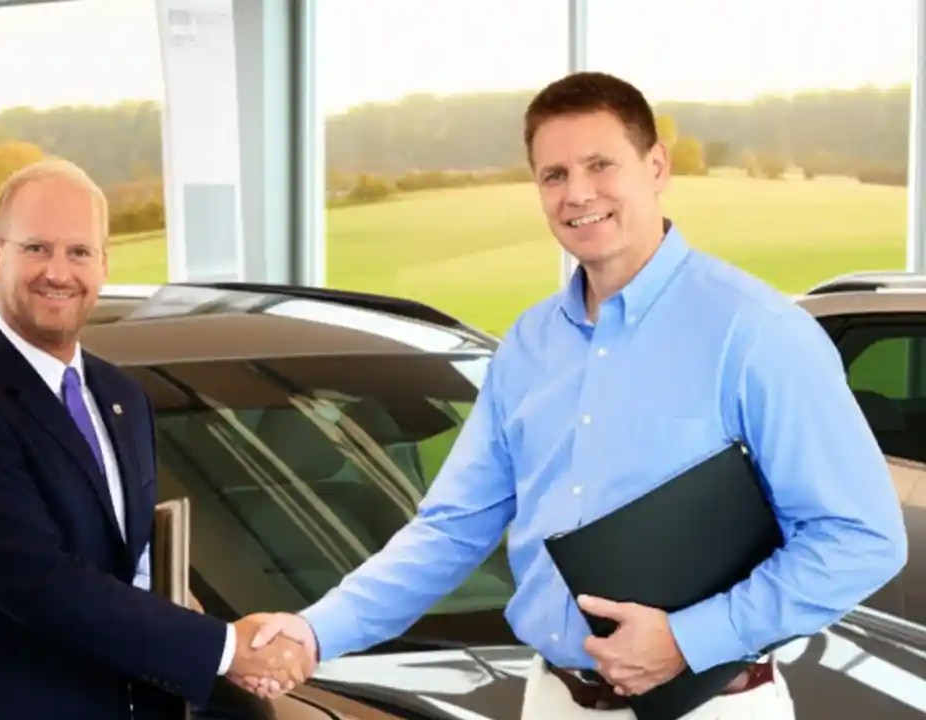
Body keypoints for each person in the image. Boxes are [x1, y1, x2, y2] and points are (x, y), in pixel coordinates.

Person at [239, 71, 909, 718]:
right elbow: (453, 527)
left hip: (711, 709)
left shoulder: (756, 332)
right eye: (554, 175)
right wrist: (315, 631)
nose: (577, 193)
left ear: (656, 166)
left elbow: (863, 539)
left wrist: (689, 639)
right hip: (553, 700)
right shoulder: (528, 346)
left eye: (600, 165)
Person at [0, 158, 311, 720]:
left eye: (79, 252)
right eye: (37, 248)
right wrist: (227, 649)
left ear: (103, 265)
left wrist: (206, 630)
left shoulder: (121, 396)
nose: (58, 272)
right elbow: (42, 587)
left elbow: (129, 562)